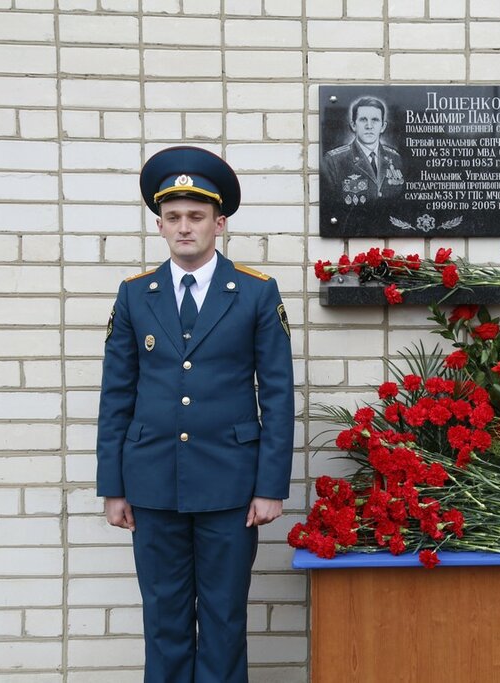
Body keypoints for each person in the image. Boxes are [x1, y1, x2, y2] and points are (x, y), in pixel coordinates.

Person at [96, 146, 295, 682]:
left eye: (197, 217)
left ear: (219, 223)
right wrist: (114, 487)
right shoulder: (137, 295)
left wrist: (271, 486)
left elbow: (277, 394)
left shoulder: (255, 292)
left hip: (230, 484)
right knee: (163, 617)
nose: (185, 228)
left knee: (225, 616)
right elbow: (116, 394)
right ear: (160, 225)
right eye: (173, 218)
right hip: (152, 482)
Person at [322, 95, 405, 206]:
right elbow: (329, 206)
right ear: (353, 125)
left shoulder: (395, 158)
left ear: (383, 127)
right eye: (363, 120)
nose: (369, 126)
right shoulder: (334, 161)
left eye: (375, 120)